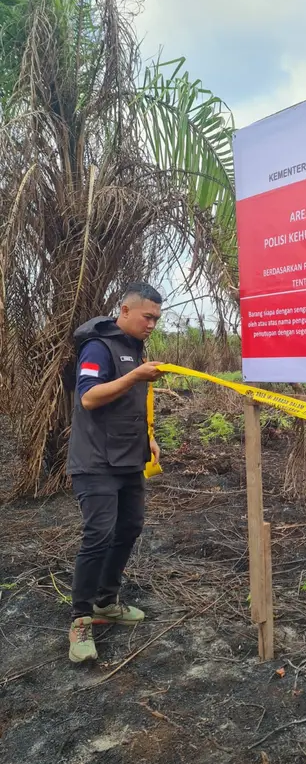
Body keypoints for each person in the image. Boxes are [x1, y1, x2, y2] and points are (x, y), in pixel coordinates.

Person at [67, 282, 164, 664]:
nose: (152, 324)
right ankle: (79, 620)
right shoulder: (98, 346)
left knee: (129, 527)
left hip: (128, 459)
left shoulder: (134, 347)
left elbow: (131, 403)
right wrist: (136, 376)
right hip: (95, 462)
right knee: (98, 536)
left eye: (157, 318)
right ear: (124, 311)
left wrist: (149, 438)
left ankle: (107, 601)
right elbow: (89, 397)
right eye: (147, 317)